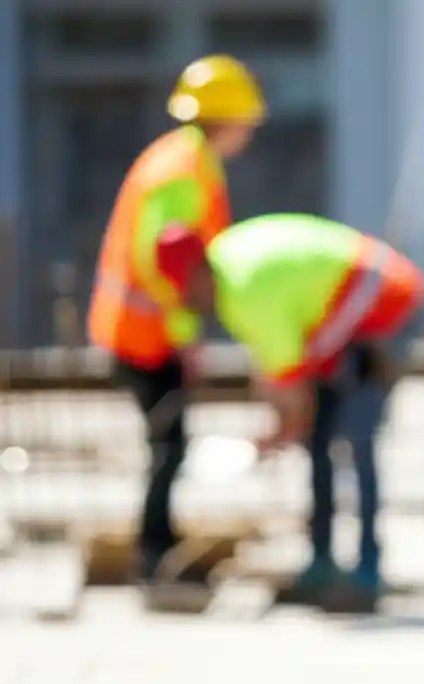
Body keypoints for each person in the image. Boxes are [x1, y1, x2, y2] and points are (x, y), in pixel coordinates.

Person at [149, 214, 424, 613]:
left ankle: (367, 569)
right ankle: (322, 560)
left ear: (197, 275)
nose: (187, 304)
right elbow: (278, 370)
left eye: (185, 291)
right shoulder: (228, 278)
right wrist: (280, 427)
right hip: (345, 312)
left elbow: (296, 390)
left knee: (356, 440)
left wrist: (281, 432)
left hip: (383, 300)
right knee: (319, 441)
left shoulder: (245, 292)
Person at [86, 54, 265, 587]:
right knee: (168, 446)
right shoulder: (185, 169)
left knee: (167, 445)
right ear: (228, 120)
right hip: (145, 334)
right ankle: (154, 555)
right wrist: (186, 335)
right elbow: (163, 258)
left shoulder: (178, 158)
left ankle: (157, 551)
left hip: (137, 328)